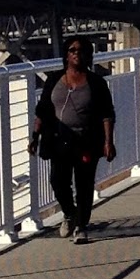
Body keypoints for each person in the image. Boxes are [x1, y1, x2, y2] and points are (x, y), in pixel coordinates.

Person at [29, 36, 117, 244]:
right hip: (59, 139)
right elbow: (42, 110)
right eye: (72, 50)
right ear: (66, 55)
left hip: (87, 140)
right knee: (58, 182)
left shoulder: (96, 83)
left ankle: (81, 226)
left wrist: (108, 141)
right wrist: (35, 136)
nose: (76, 53)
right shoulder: (54, 80)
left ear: (88, 55)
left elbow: (107, 113)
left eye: (81, 50)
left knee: (84, 184)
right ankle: (69, 214)